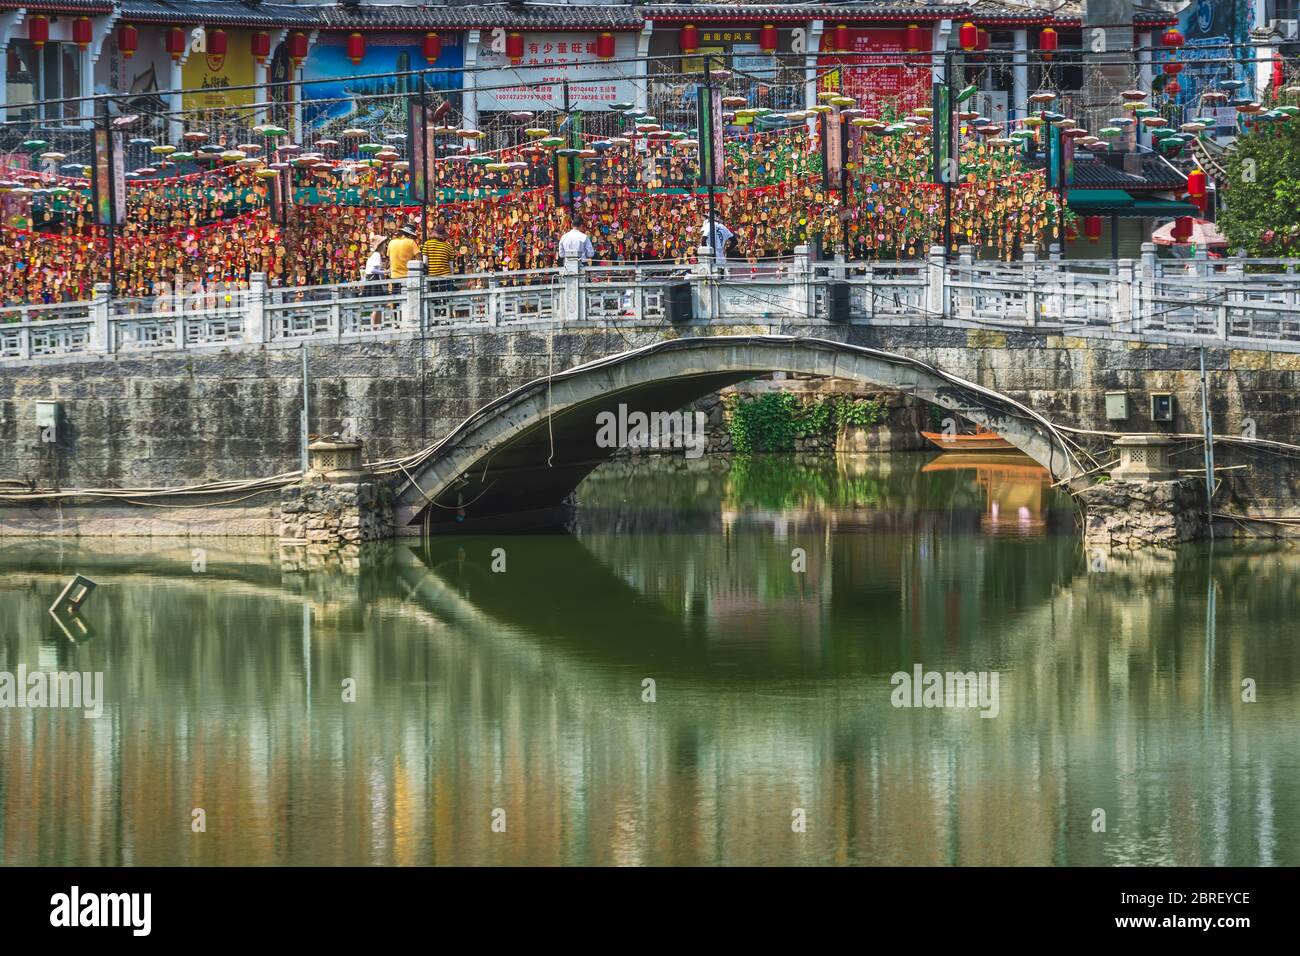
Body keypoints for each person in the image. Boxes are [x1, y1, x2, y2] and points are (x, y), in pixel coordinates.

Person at [421, 224, 455, 292]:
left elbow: (425, 262)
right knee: (445, 297)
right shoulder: (449, 247)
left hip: (432, 275)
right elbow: (451, 267)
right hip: (445, 276)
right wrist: (452, 277)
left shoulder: (427, 244)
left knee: (434, 296)